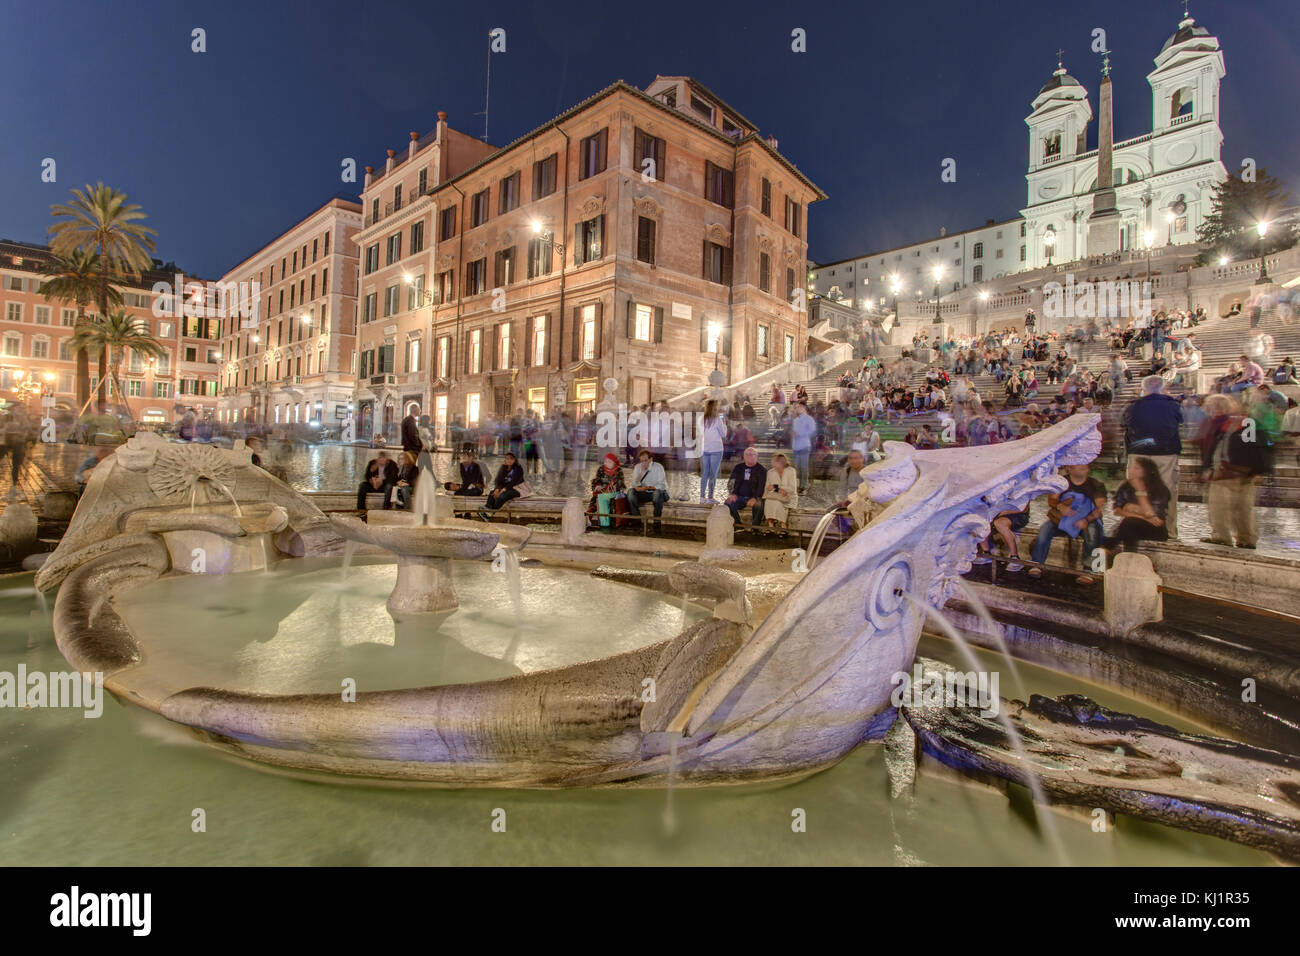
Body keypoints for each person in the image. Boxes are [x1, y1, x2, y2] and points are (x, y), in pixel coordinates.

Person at [1198, 393, 1264, 549]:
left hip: (1227, 472)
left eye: (1210, 408)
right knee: (1242, 507)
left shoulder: (1235, 423)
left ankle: (1223, 537)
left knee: (1219, 506)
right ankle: (1246, 538)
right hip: (1239, 472)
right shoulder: (1239, 422)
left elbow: (1254, 448)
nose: (1208, 411)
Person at [1121, 375, 1182, 538]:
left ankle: (1138, 528)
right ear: (1162, 388)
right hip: (1166, 453)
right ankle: (1168, 530)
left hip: (1139, 452)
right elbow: (1179, 422)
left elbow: (1124, 424)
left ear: (1143, 389)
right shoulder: (1173, 405)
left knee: (1137, 491)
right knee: (1168, 491)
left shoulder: (1133, 406)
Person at [1028, 464, 1107, 584]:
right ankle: (1037, 564)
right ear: (1069, 468)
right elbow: (1052, 500)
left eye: (1084, 467)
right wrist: (1060, 506)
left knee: (1092, 533)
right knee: (1045, 529)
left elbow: (1099, 509)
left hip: (1088, 520)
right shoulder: (1062, 482)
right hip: (1064, 519)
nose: (1083, 470)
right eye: (1078, 467)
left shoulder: (1096, 485)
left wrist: (1086, 520)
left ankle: (1090, 570)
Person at [1103, 456, 1170, 553]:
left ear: (1146, 471)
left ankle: (1111, 550)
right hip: (1132, 525)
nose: (1131, 470)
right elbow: (1117, 511)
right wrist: (1142, 516)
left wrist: (1140, 491)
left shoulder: (1160, 489)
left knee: (1127, 525)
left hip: (1155, 529)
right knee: (1127, 524)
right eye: (1131, 467)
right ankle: (1126, 555)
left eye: (1136, 468)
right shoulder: (1125, 487)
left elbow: (1153, 516)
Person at [972, 506, 1029, 572]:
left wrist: (1002, 512)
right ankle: (986, 552)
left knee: (999, 523)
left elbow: (1024, 509)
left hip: (1017, 515)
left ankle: (1015, 558)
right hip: (998, 512)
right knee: (980, 520)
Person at [724, 446, 766, 530]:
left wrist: (755, 498)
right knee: (728, 503)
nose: (750, 456)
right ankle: (739, 525)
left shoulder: (762, 470)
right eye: (747, 454)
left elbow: (762, 486)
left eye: (752, 454)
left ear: (756, 456)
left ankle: (755, 527)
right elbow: (731, 482)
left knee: (759, 505)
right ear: (744, 456)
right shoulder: (738, 467)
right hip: (739, 496)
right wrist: (733, 494)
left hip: (754, 496)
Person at [627, 448, 669, 527]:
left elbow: (662, 485)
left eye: (645, 460)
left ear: (651, 459)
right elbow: (634, 484)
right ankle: (636, 519)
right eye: (641, 461)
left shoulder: (658, 467)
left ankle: (656, 521)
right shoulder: (638, 467)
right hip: (645, 493)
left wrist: (648, 488)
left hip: (660, 492)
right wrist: (641, 473)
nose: (643, 463)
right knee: (630, 492)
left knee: (657, 493)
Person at [588, 452, 626, 530]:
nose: (606, 463)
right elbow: (596, 480)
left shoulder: (618, 470)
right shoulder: (601, 469)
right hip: (602, 492)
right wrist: (597, 486)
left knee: (600, 498)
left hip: (614, 493)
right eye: (605, 461)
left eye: (609, 462)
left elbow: (620, 485)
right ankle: (591, 519)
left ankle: (604, 523)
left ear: (614, 463)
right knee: (597, 498)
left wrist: (610, 489)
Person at [699, 399, 727, 503]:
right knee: (713, 474)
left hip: (704, 449)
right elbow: (724, 434)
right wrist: (724, 424)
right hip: (716, 449)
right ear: (715, 408)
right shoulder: (717, 420)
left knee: (704, 474)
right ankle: (710, 497)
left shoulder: (702, 419)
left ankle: (702, 497)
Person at [762, 452, 798, 534]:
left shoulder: (791, 471)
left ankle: (783, 526)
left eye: (773, 461)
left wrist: (777, 488)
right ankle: (770, 525)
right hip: (775, 494)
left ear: (780, 462)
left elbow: (792, 488)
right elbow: (768, 487)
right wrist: (777, 489)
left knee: (779, 502)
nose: (772, 463)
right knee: (769, 501)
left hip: (789, 496)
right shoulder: (770, 472)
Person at [789, 402, 817, 493]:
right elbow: (793, 433)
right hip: (796, 446)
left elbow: (812, 431)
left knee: (804, 467)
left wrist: (800, 434)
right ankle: (799, 484)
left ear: (804, 408)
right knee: (798, 467)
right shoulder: (795, 420)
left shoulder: (809, 419)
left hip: (804, 445)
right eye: (796, 407)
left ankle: (804, 485)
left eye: (799, 407)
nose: (797, 409)